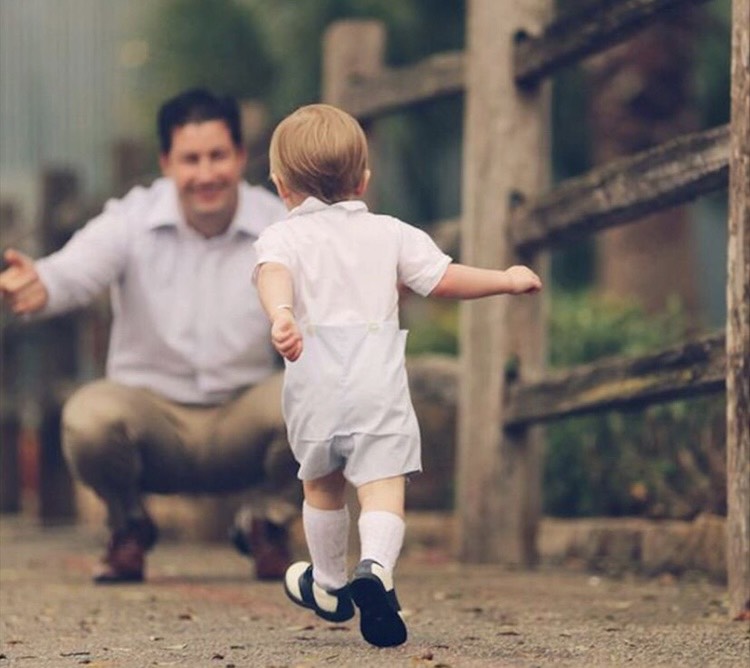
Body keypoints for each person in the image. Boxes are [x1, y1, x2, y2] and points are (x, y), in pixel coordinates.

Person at [253, 103, 543, 647]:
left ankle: (331, 584)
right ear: (364, 180)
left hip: (313, 385)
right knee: (382, 489)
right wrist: (504, 279)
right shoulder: (390, 233)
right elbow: (443, 279)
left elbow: (274, 276)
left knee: (322, 487)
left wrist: (283, 314)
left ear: (280, 187)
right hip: (375, 386)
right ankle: (377, 570)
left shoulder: (280, 238)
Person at [0, 88, 302, 584]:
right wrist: (43, 283)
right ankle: (129, 526)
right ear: (166, 162)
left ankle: (268, 523)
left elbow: (329, 291)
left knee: (328, 394)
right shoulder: (130, 219)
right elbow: (75, 269)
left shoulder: (278, 223)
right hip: (151, 424)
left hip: (243, 417)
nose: (206, 174)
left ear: (241, 157)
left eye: (217, 156)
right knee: (89, 417)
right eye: (190, 159)